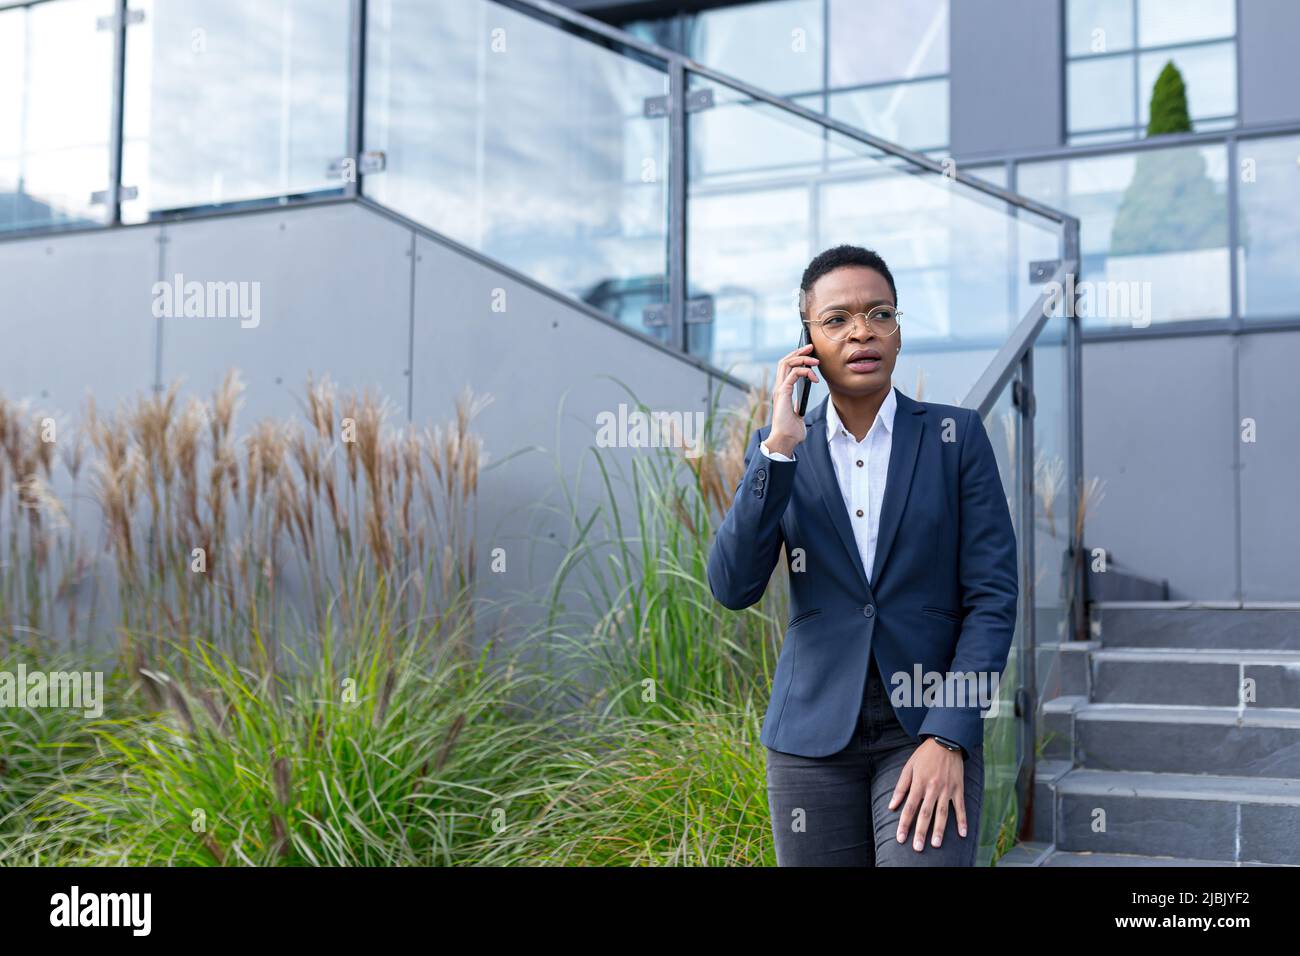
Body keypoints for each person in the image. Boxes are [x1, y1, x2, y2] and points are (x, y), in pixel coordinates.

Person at [706, 244, 1018, 866]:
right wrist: (779, 448)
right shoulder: (779, 450)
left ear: (899, 333)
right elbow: (733, 585)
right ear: (807, 345)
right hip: (810, 739)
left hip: (926, 726)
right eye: (837, 319)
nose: (861, 331)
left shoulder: (956, 438)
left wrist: (949, 735)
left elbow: (993, 601)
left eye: (879, 314)